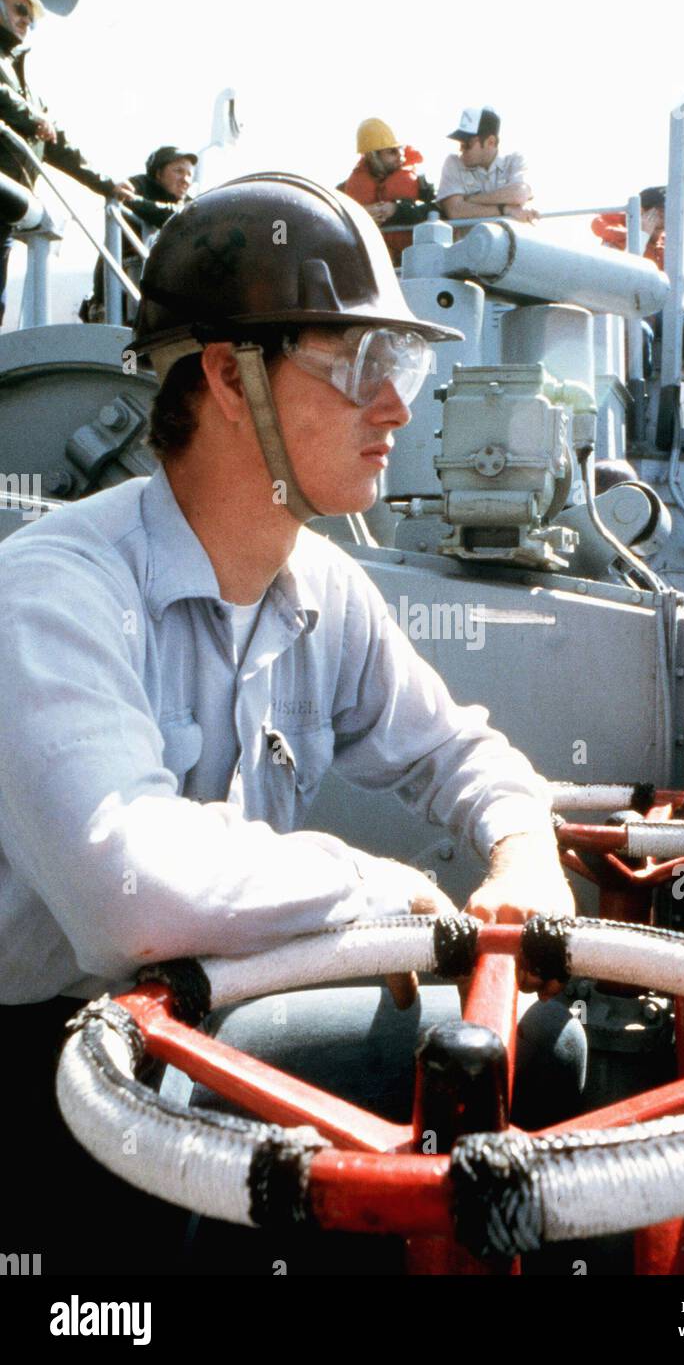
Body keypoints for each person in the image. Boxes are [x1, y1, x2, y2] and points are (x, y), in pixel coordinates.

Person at [0, 172, 577, 1273]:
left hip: (201, 1022)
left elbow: (462, 750)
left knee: (537, 1052)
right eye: (362, 365)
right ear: (227, 376)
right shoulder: (53, 590)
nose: (397, 408)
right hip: (45, 1078)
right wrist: (385, 894)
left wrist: (523, 849)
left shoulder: (321, 589)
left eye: (398, 366)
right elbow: (127, 891)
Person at [0, 0, 133, 325]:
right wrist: (31, 118)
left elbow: (56, 144)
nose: (27, 20)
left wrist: (105, 183)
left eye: (30, 14)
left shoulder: (21, 79)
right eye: (19, 9)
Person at [80, 144, 196, 323]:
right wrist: (137, 201)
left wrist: (140, 204)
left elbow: (181, 214)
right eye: (178, 171)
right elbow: (124, 198)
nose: (185, 179)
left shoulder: (188, 204)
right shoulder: (139, 185)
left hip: (155, 296)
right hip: (121, 292)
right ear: (158, 173)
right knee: (128, 350)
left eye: (189, 174)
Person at [339, 117, 435, 265]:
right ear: (373, 156)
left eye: (400, 149)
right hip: (377, 266)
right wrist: (359, 214)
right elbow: (336, 221)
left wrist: (397, 209)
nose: (400, 156)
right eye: (392, 152)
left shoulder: (420, 181)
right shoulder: (346, 191)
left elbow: (436, 210)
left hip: (416, 263)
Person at [437, 105, 539, 224]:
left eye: (467, 144)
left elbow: (519, 193)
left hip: (509, 242)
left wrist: (470, 199)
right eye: (460, 143)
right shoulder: (453, 163)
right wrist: (505, 209)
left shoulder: (515, 161)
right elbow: (455, 211)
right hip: (469, 242)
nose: (461, 149)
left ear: (491, 142)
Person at [591, 184, 666, 270]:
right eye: (661, 209)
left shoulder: (666, 248)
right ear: (641, 211)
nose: (665, 215)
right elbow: (622, 276)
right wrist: (643, 235)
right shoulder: (617, 241)